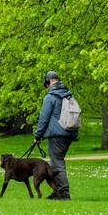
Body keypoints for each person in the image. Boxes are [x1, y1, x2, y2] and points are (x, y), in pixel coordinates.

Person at [33, 70, 78, 200]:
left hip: (57, 134)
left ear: (48, 82)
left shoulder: (50, 96)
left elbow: (44, 118)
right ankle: (57, 192)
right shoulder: (68, 94)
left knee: (57, 164)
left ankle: (64, 194)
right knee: (55, 163)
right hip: (68, 132)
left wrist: (38, 135)